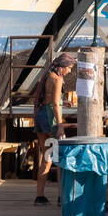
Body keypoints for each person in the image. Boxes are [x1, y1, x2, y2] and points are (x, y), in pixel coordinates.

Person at [32, 52, 76, 203]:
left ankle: (39, 196)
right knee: (59, 157)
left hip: (40, 116)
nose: (70, 71)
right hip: (50, 118)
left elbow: (49, 97)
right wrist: (60, 126)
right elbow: (55, 104)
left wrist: (65, 102)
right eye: (69, 68)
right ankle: (61, 196)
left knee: (47, 157)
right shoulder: (57, 80)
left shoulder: (48, 75)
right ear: (62, 67)